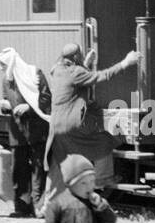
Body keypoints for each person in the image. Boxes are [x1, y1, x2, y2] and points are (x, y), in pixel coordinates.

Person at [45, 41, 139, 194]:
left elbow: (78, 79)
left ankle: (45, 205)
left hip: (55, 126)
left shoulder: (57, 70)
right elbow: (102, 76)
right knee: (106, 141)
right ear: (76, 56)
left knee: (57, 167)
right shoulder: (75, 72)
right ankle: (103, 177)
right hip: (71, 124)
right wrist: (125, 62)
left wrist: (87, 63)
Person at [0, 47, 51, 217]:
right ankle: (22, 206)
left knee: (38, 168)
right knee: (19, 169)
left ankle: (39, 206)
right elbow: (7, 100)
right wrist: (5, 106)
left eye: (3, 65)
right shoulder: (7, 80)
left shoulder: (35, 74)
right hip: (17, 131)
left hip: (37, 128)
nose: (1, 68)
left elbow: (46, 97)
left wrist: (29, 107)